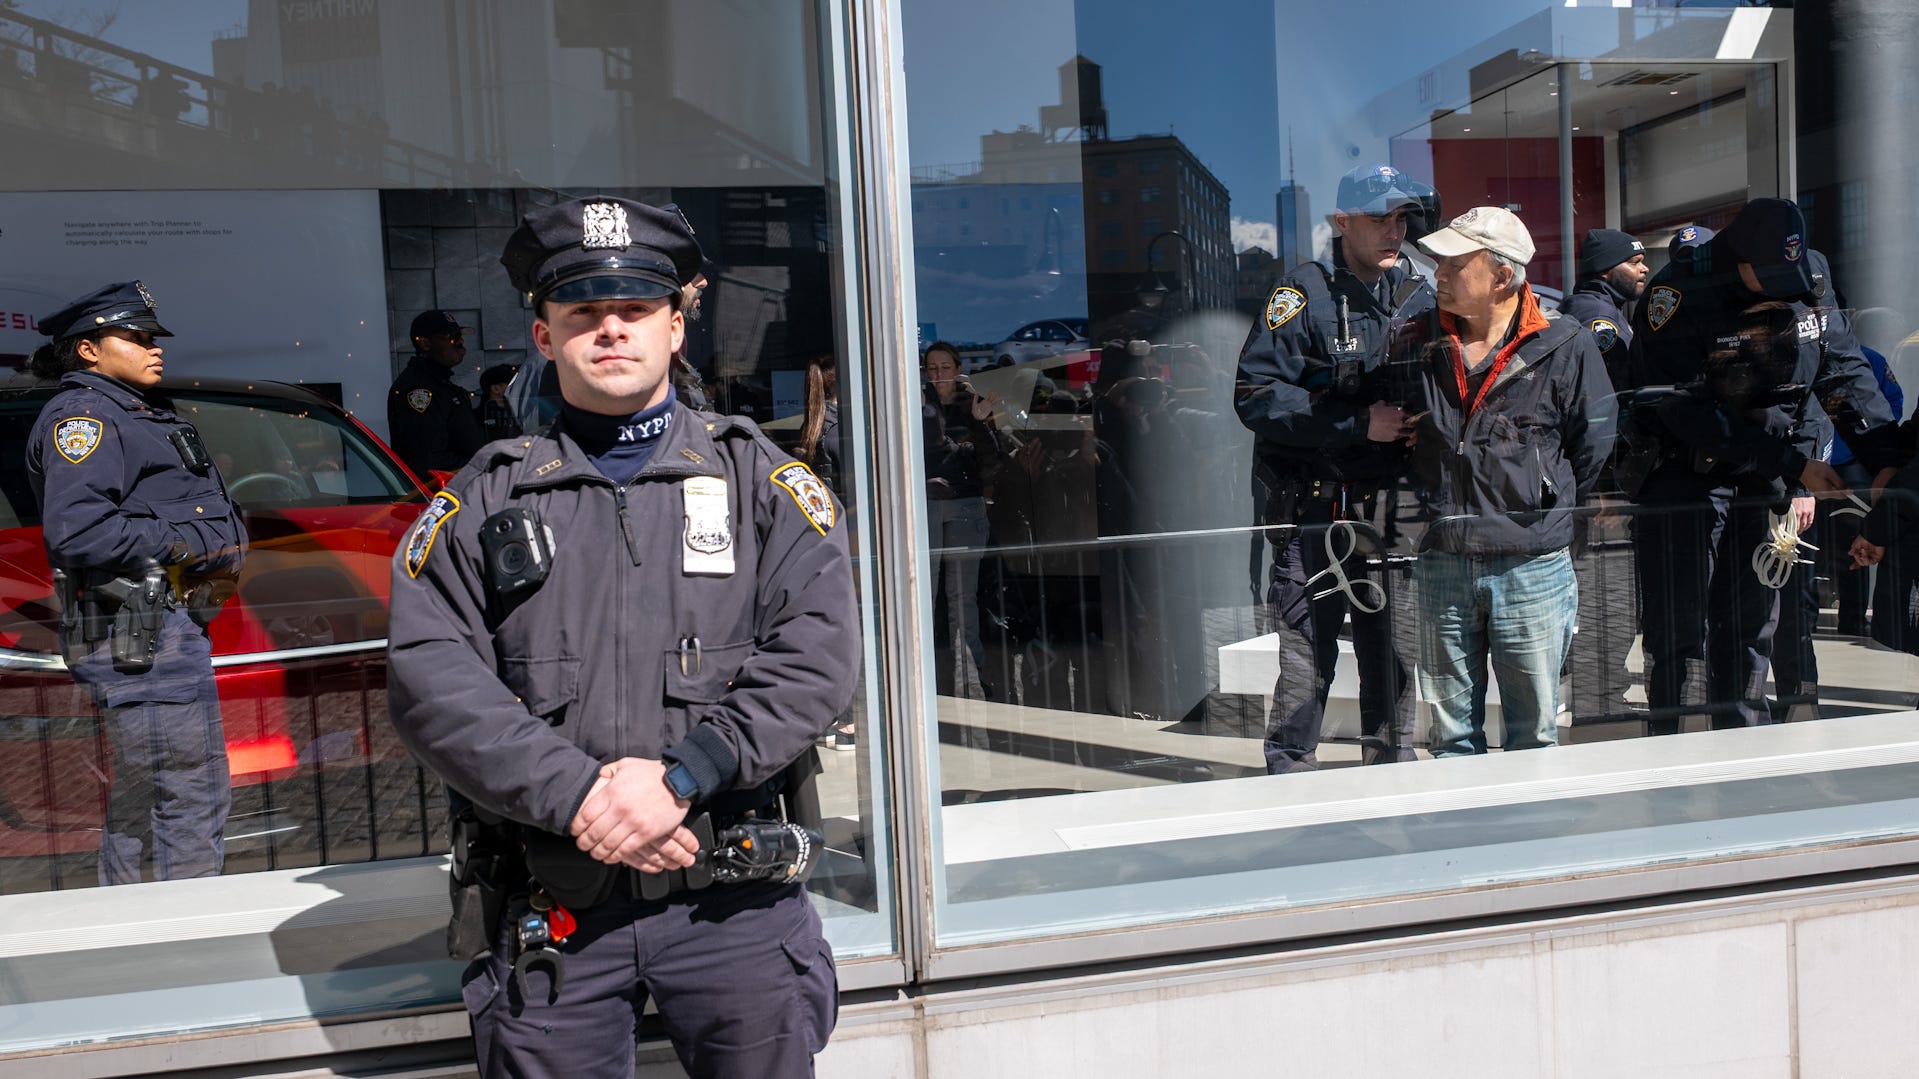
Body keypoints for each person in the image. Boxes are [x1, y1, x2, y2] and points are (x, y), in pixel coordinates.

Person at [386, 197, 856, 1078]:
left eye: (635, 310)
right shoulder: (482, 501)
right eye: (583, 314)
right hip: (555, 908)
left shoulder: (762, 481)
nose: (611, 331)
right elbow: (431, 680)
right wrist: (581, 796)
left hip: (735, 908)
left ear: (676, 326)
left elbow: (817, 653)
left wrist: (683, 776)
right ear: (542, 334)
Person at [1624, 198, 1905, 734]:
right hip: (1688, 477)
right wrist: (1793, 464)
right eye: (1769, 276)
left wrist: (1884, 462)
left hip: (1767, 478)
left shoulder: (1811, 276)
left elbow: (1841, 375)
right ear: (1740, 259)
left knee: (1752, 625)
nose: (1783, 286)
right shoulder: (1677, 293)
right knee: (1681, 630)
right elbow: (1682, 409)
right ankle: (1669, 750)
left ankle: (1741, 746)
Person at [23, 281, 247, 885]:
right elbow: (80, 531)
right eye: (137, 337)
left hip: (158, 630)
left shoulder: (133, 409)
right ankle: (187, 939)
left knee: (150, 795)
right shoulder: (86, 417)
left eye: (154, 338)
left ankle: (127, 929)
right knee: (187, 795)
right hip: (138, 636)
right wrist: (191, 542)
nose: (154, 349)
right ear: (88, 349)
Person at [1233, 163, 1430, 772]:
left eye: (1402, 218)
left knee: (1393, 652)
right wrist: (1354, 423)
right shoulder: (1301, 294)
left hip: (1393, 506)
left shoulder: (1420, 293)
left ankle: (1391, 778)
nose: (1394, 230)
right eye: (1379, 218)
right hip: (1313, 510)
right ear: (1340, 222)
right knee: (1306, 656)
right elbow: (1255, 396)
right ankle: (1292, 784)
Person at [1407, 207, 1615, 756]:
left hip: (1532, 564)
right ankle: (1462, 841)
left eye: (1455, 262)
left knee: (1534, 733)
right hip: (1443, 557)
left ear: (1502, 276)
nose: (1440, 273)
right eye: (1439, 262)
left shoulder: (1565, 343)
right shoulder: (1417, 340)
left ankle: (1530, 839)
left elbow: (1593, 441)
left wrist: (1544, 503)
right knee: (1450, 737)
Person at [923, 340, 1003, 700]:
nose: (938, 374)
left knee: (962, 597)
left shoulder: (972, 403)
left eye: (944, 367)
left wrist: (980, 422)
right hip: (924, 504)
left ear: (957, 369)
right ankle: (924, 677)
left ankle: (971, 678)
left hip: (966, 504)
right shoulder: (915, 403)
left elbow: (992, 462)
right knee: (924, 593)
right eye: (932, 368)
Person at [387, 309, 487, 479]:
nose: (460, 341)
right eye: (451, 337)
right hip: (443, 496)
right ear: (425, 344)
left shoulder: (441, 385)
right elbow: (429, 461)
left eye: (459, 335)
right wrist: (479, 469)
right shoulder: (418, 390)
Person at [1559, 228, 1648, 387]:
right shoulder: (1597, 315)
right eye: (1634, 262)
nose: (1644, 268)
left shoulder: (1601, 306)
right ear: (1604, 270)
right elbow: (1609, 387)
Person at [476, 363, 523, 441]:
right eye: (512, 384)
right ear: (496, 388)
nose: (517, 388)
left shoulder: (517, 412)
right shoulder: (479, 418)